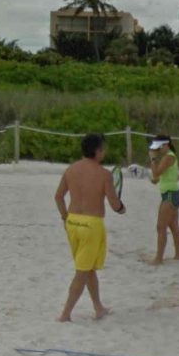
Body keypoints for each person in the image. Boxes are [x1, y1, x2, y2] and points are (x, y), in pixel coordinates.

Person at [54, 133, 125, 322]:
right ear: (97, 151)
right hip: (91, 225)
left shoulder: (71, 169)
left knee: (88, 268)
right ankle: (65, 314)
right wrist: (121, 208)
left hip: (72, 223)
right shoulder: (104, 174)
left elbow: (58, 196)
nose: (105, 151)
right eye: (103, 148)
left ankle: (98, 307)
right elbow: (114, 203)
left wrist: (64, 218)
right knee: (82, 271)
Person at [147, 136, 179, 265]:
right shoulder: (168, 157)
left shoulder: (169, 157)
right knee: (173, 226)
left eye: (159, 147)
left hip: (170, 195)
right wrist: (153, 178)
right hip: (171, 193)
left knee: (161, 227)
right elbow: (158, 177)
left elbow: (157, 172)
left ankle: (158, 258)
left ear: (166, 145)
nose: (157, 150)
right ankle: (178, 255)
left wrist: (152, 159)